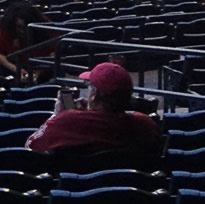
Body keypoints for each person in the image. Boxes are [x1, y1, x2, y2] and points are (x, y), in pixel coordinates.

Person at [25, 62, 164, 166]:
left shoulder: (67, 121)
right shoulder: (145, 124)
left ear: (94, 95)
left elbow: (30, 146)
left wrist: (57, 116)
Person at [0, 0, 54, 82]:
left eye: (25, 28)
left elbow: (53, 54)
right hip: (12, 68)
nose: (22, 31)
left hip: (42, 67)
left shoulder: (45, 27)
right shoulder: (1, 29)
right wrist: (16, 69)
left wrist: (40, 71)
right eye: (19, 27)